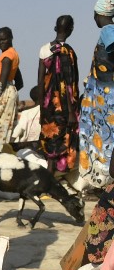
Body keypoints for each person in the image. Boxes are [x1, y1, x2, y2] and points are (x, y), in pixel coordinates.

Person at [36, 15, 80, 174]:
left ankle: (49, 176)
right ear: (71, 30)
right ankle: (53, 177)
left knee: (50, 138)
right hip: (63, 105)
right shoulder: (68, 51)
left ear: (56, 28)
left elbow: (40, 81)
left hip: (48, 103)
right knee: (61, 139)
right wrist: (71, 112)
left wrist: (41, 107)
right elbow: (69, 83)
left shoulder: (44, 49)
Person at [79, 0, 114, 189]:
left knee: (105, 140)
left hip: (107, 98)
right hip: (105, 94)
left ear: (99, 14)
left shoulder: (108, 30)